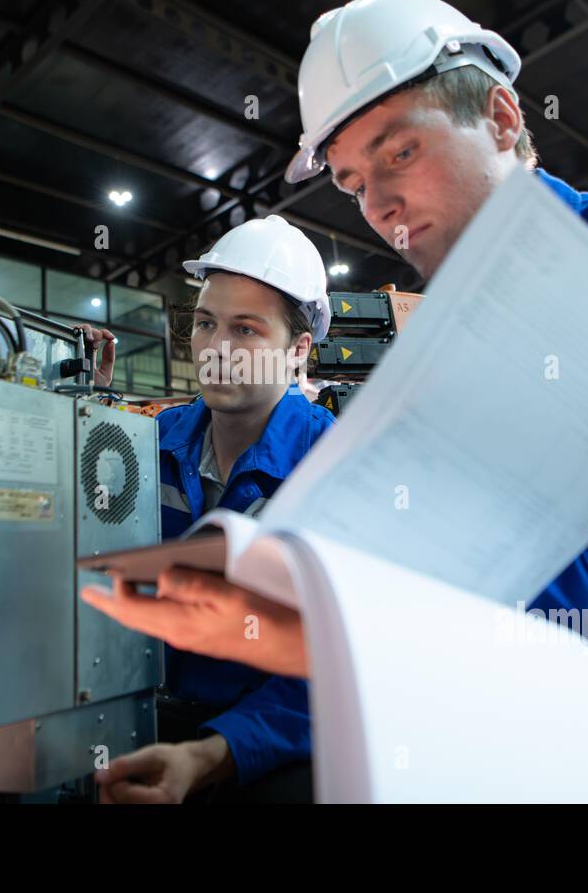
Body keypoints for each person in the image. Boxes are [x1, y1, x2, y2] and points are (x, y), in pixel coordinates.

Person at [83, 0, 588, 802]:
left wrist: (332, 633)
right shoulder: (459, 363)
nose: (378, 207)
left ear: (504, 119)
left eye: (398, 153)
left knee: (548, 767)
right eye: (352, 180)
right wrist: (228, 747)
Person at [76, 215, 335, 803]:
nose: (216, 351)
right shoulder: (148, 441)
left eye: (245, 330)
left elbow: (338, 665)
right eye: (205, 324)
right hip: (144, 715)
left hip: (262, 741)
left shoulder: (331, 468)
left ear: (298, 350)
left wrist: (215, 753)